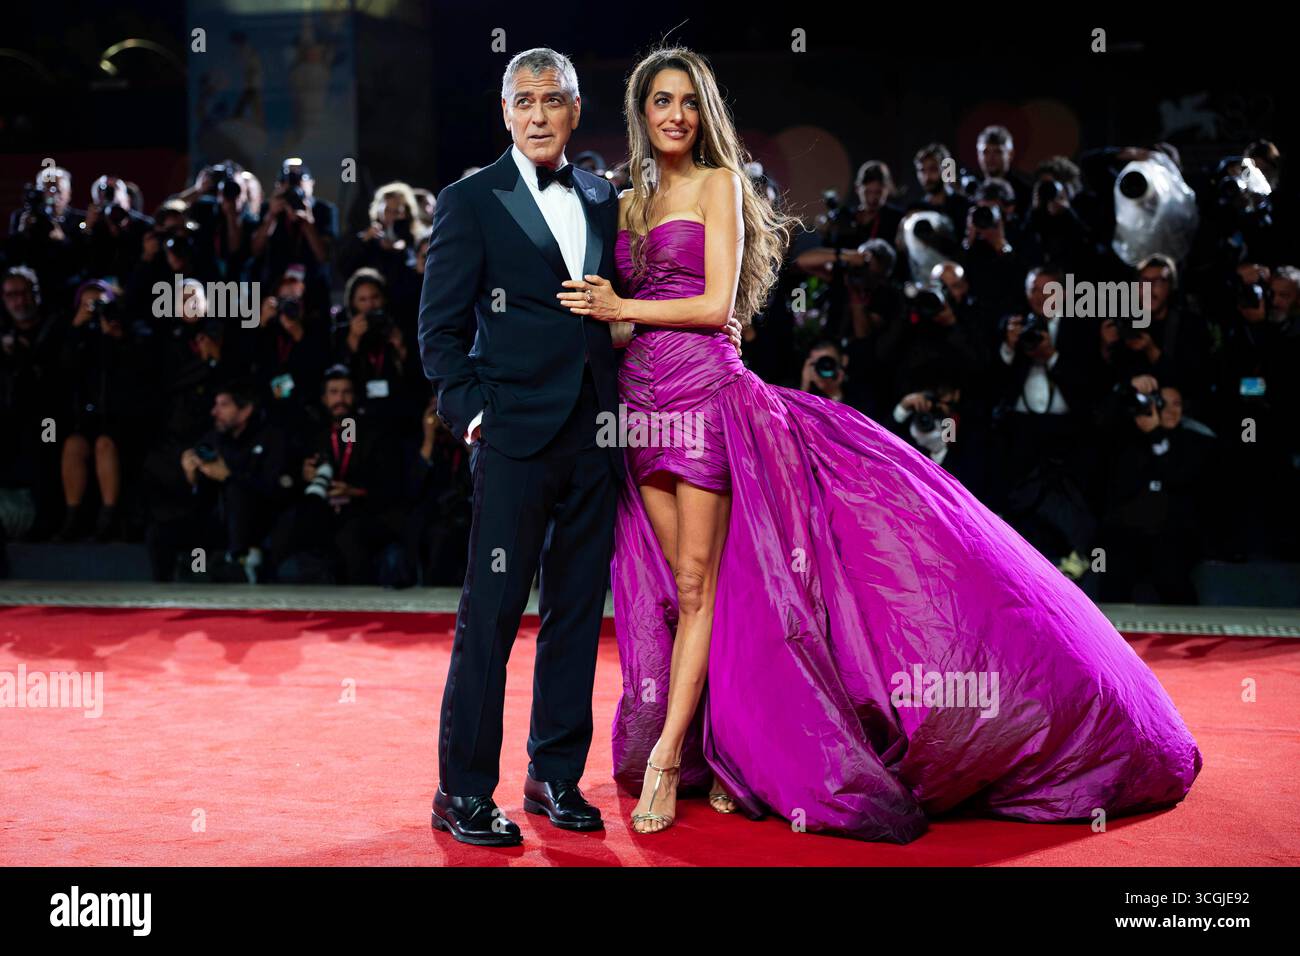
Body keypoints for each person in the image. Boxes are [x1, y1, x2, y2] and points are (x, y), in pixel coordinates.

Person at [562, 46, 1201, 842]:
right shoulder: (624, 202)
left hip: (707, 400)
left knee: (697, 586)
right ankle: (730, 753)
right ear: (640, 110)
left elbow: (713, 305)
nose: (676, 115)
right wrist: (591, 327)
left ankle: (667, 760)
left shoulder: (717, 184)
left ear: (705, 114)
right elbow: (620, 320)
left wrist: (622, 306)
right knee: (692, 589)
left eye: (689, 101)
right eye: (662, 100)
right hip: (640, 409)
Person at [416, 48, 747, 847]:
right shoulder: (470, 199)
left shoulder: (604, 197)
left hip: (601, 436)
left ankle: (555, 776)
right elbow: (439, 333)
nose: (538, 115)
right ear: (505, 112)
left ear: (574, 112)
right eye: (524, 100)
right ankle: (463, 792)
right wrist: (475, 417)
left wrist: (703, 328)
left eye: (552, 100)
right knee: (492, 616)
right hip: (514, 442)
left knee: (573, 618)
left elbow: (622, 311)